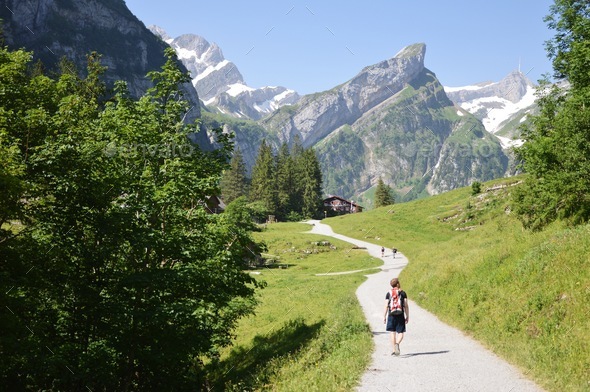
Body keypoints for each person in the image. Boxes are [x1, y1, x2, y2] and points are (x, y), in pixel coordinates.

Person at [383, 277, 409, 356]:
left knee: (392, 332)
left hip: (391, 314)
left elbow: (386, 306)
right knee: (400, 332)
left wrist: (384, 316)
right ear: (397, 284)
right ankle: (397, 343)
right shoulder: (403, 293)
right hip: (400, 314)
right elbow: (406, 306)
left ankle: (394, 350)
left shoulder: (388, 293)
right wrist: (407, 316)